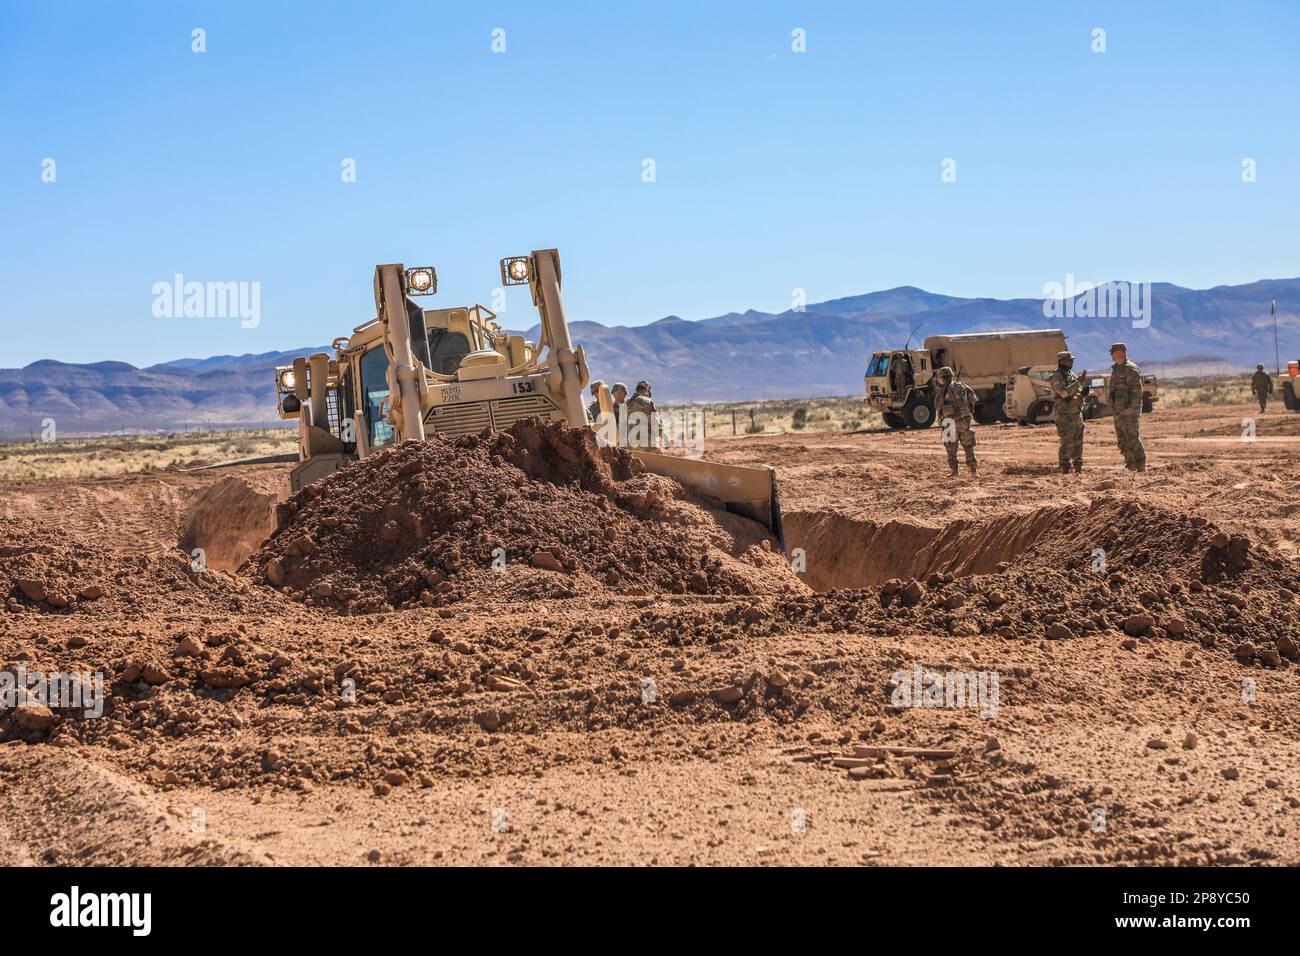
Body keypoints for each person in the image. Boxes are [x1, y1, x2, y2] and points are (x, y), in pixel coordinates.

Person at [1107, 343, 1146, 472]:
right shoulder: (1116, 368)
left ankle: (1140, 466)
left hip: (1130, 411)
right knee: (1122, 439)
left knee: (1132, 438)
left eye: (1112, 352)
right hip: (1118, 411)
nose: (1111, 355)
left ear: (1119, 352)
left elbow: (1137, 393)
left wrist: (1131, 410)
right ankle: (1130, 464)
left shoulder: (1131, 369)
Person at [1048, 350, 1088, 473]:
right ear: (1062, 361)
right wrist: (1078, 383)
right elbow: (1064, 393)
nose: (1072, 362)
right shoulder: (1056, 376)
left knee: (1078, 441)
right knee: (1067, 441)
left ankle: (1078, 467)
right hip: (1064, 415)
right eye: (1070, 360)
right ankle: (1064, 467)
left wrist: (1083, 393)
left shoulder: (1070, 374)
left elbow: (1076, 391)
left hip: (1076, 414)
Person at [934, 367, 977, 476]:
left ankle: (954, 471)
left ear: (941, 378)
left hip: (948, 421)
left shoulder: (941, 391)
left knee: (951, 448)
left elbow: (937, 406)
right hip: (963, 419)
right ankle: (973, 471)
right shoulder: (963, 386)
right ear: (952, 376)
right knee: (968, 445)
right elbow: (973, 400)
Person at [626, 380, 659, 448]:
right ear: (647, 391)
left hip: (629, 443)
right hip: (645, 443)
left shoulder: (627, 402)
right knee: (659, 457)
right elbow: (655, 422)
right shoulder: (646, 401)